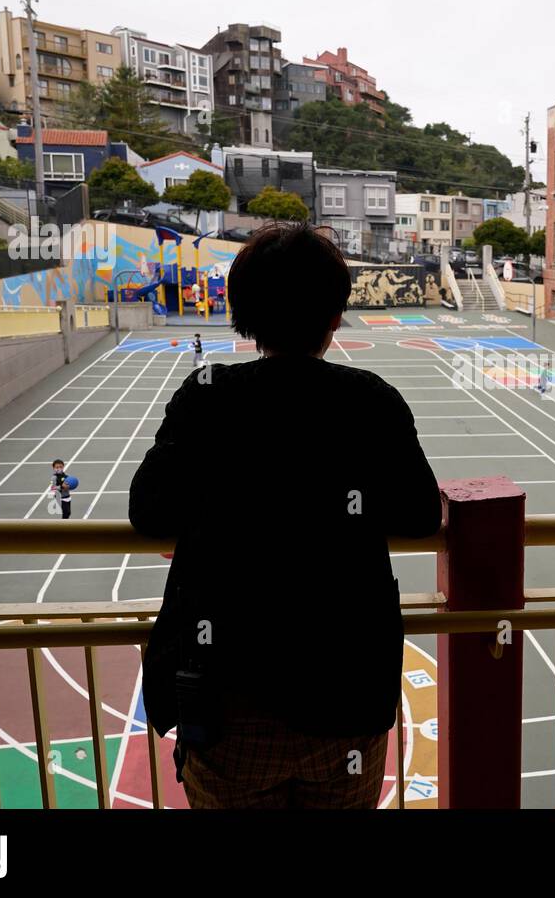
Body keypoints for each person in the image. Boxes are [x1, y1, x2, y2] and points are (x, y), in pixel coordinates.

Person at [131, 224, 442, 809]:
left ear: (243, 313)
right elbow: (422, 514)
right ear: (334, 315)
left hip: (226, 705)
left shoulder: (206, 394)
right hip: (345, 702)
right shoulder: (371, 399)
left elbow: (149, 511)